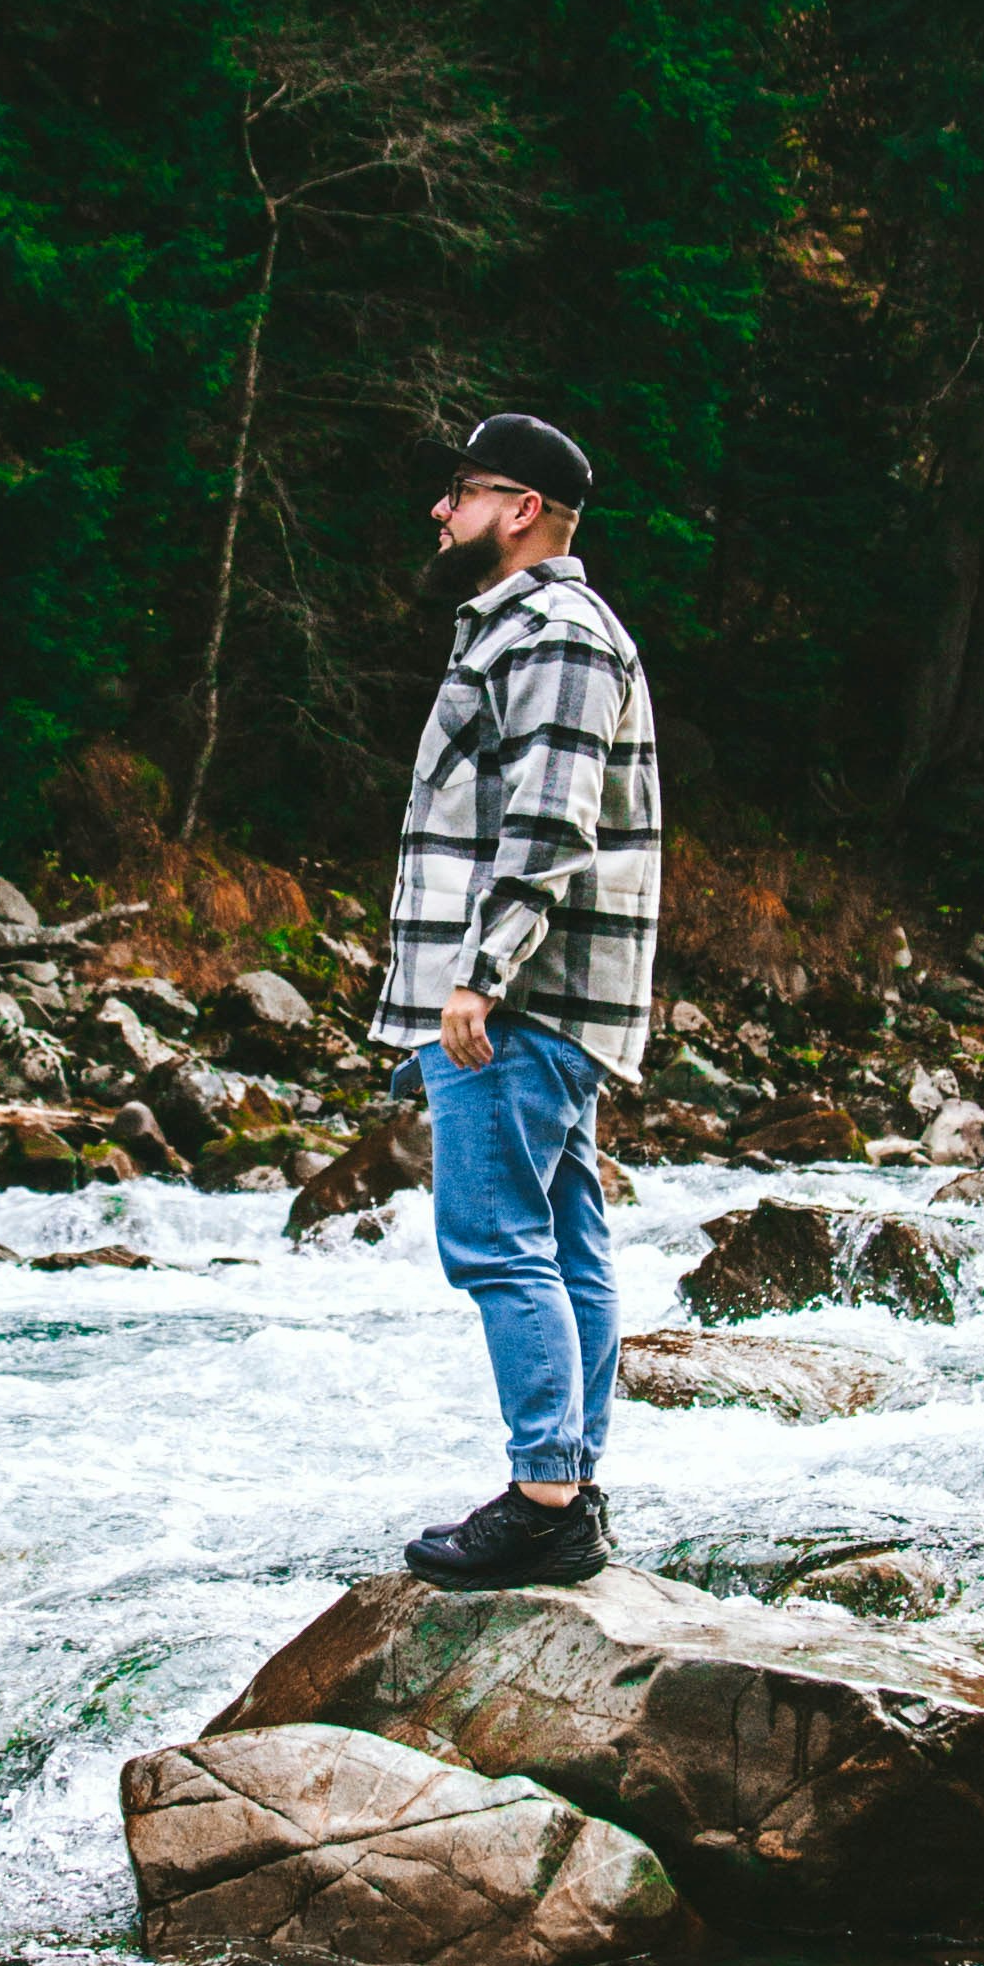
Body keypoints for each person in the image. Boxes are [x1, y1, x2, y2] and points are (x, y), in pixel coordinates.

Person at [372, 410, 663, 1586]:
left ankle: (545, 1498)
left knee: (498, 1241)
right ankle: (570, 1486)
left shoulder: (554, 630)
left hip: (523, 995)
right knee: (566, 1241)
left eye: (461, 493)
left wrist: (480, 974)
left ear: (522, 509)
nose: (441, 513)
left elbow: (548, 822)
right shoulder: (531, 628)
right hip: (545, 992)